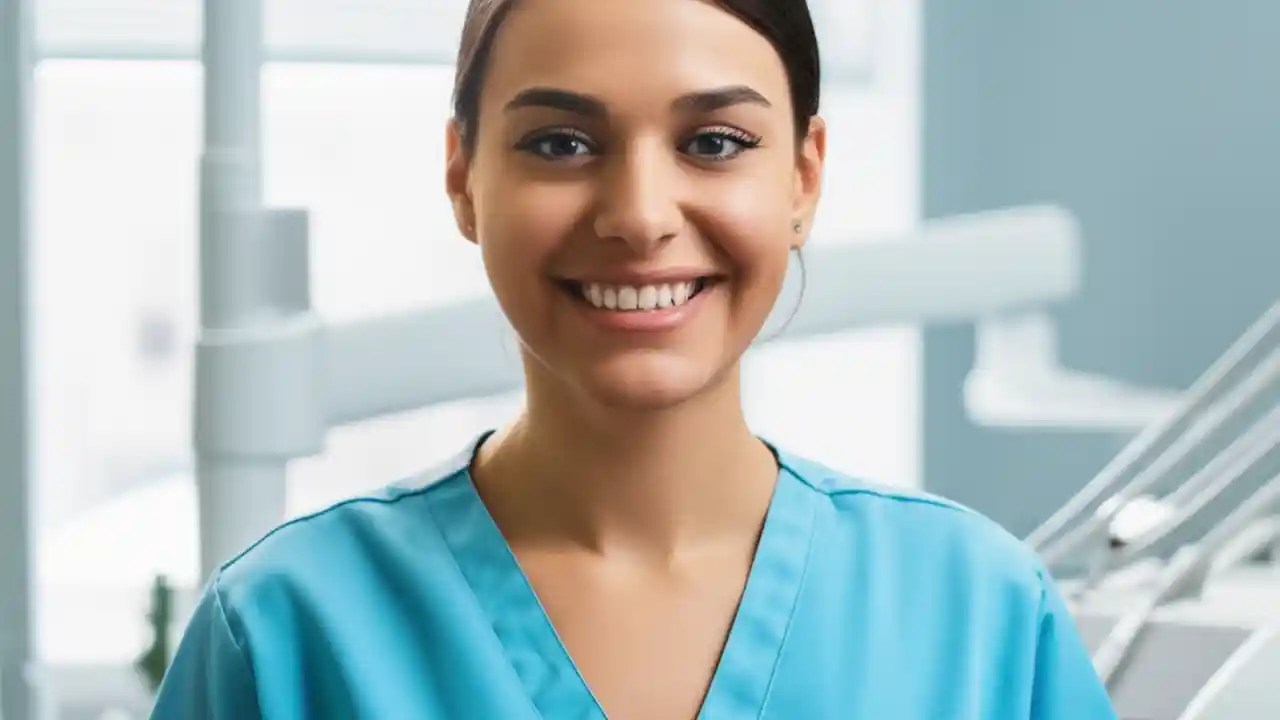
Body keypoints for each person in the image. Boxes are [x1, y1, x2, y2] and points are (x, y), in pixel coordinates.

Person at [152, 0, 1117, 717]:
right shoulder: (289, 633)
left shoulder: (978, 618)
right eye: (561, 143)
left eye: (715, 142)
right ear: (463, 178)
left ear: (803, 176)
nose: (641, 216)